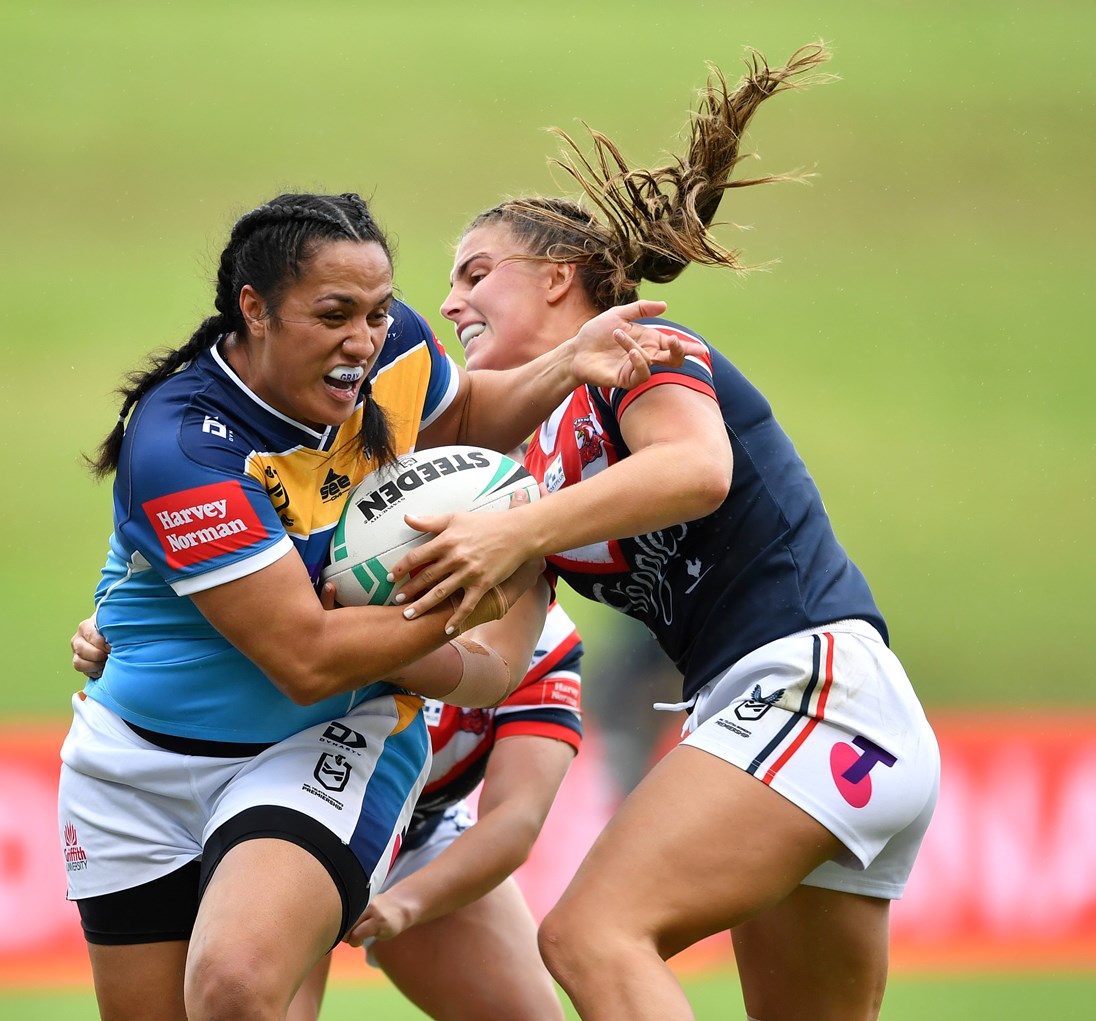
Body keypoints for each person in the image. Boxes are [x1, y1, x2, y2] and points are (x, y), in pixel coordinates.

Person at [387, 44, 941, 1021]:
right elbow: (488, 667)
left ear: (560, 279)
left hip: (812, 687)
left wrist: (514, 536)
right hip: (814, 722)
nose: (449, 301)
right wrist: (365, 644)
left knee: (588, 935)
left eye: (476, 272)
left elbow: (696, 468)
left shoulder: (646, 345)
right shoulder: (515, 473)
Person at [58, 190, 682, 1021]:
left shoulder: (395, 352)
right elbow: (303, 650)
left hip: (321, 737)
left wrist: (566, 362)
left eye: (379, 312)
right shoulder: (184, 446)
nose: (363, 341)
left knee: (235, 987)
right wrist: (470, 586)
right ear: (255, 310)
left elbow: (460, 419)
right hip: (136, 767)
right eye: (334, 314)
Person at [70, 594, 584, 1021]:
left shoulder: (546, 640)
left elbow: (515, 818)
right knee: (243, 996)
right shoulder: (356, 553)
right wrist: (121, 626)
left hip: (418, 837)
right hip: (284, 806)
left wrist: (404, 904)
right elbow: (218, 569)